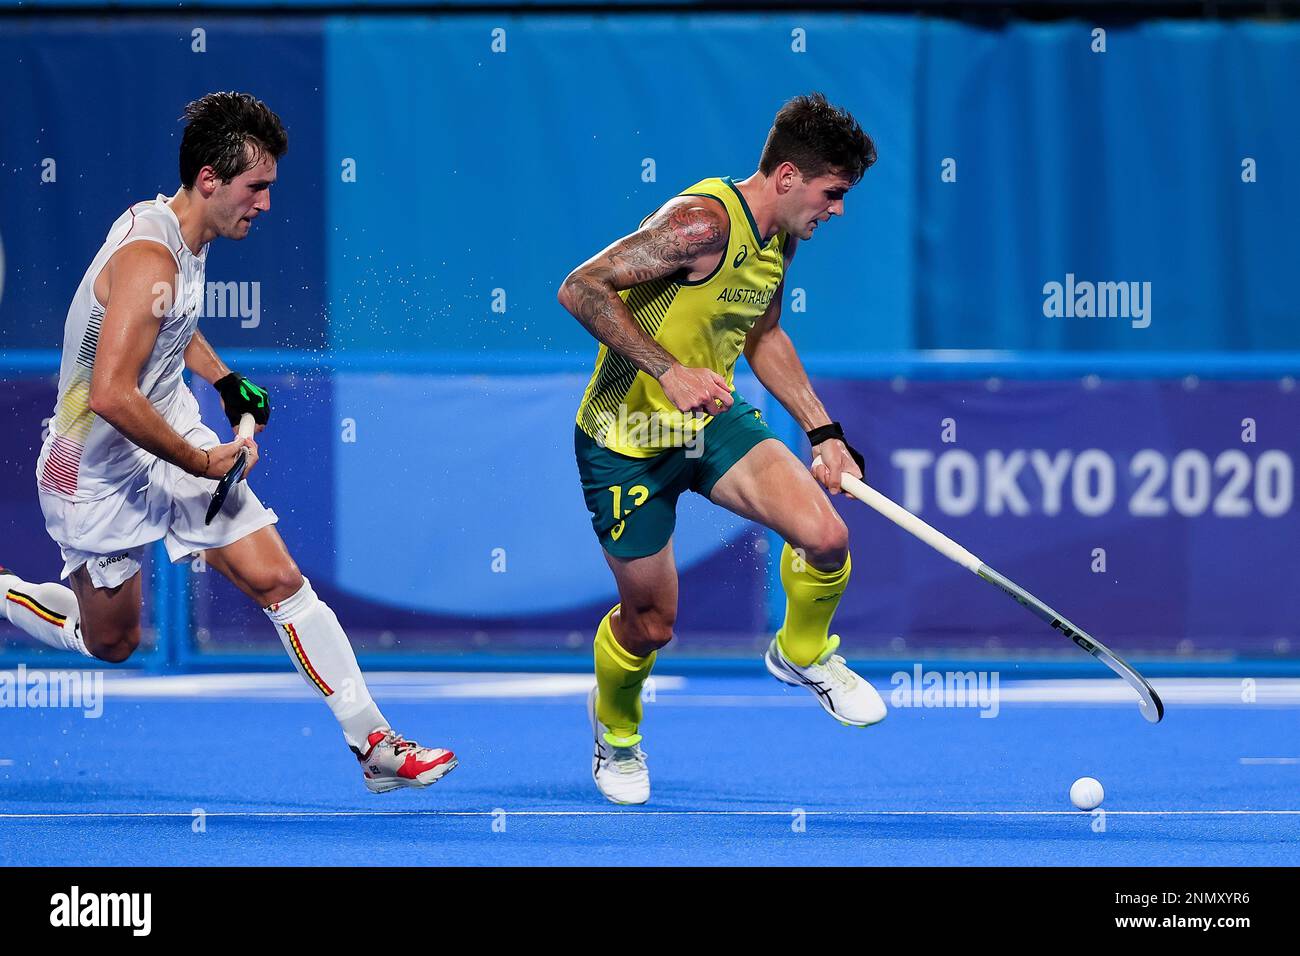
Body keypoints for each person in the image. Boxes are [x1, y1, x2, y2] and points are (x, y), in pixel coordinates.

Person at [0, 92, 455, 794]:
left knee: (278, 579)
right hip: (88, 462)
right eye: (257, 187)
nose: (266, 203)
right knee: (110, 642)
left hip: (165, 427)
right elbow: (111, 394)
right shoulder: (151, 257)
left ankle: (374, 745)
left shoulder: (186, 233)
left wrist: (225, 380)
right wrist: (202, 459)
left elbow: (169, 328)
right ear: (210, 180)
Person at [558, 92, 887, 805]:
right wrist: (666, 369)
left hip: (708, 424)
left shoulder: (780, 240)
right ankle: (615, 730)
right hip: (627, 440)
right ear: (790, 177)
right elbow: (579, 287)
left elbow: (762, 334)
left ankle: (802, 651)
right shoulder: (702, 225)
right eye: (833, 193)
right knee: (652, 623)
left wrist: (824, 433)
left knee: (826, 535)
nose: (838, 210)